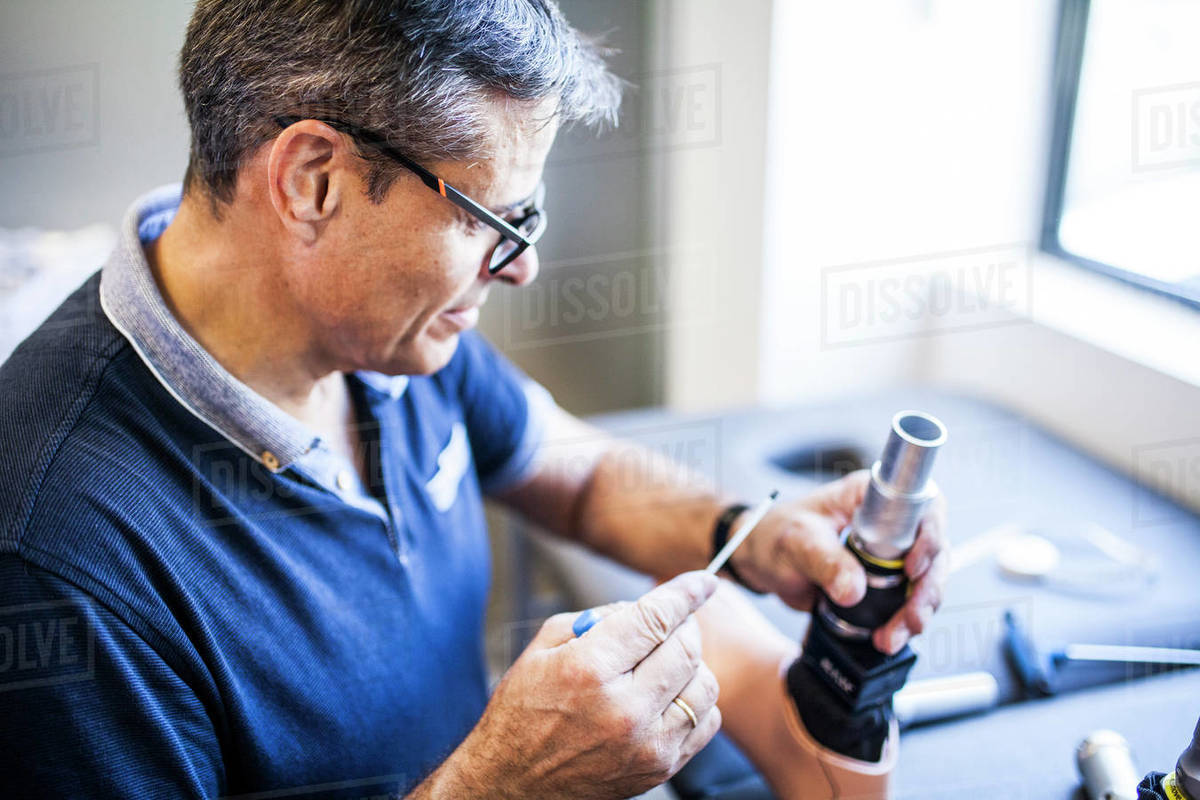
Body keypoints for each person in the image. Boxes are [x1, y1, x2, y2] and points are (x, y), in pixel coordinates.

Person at [0, 1, 947, 798]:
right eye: (494, 219)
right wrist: (502, 783)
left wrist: (748, 529)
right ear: (312, 181)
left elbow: (568, 471)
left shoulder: (385, 330)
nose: (525, 266)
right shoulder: (59, 561)